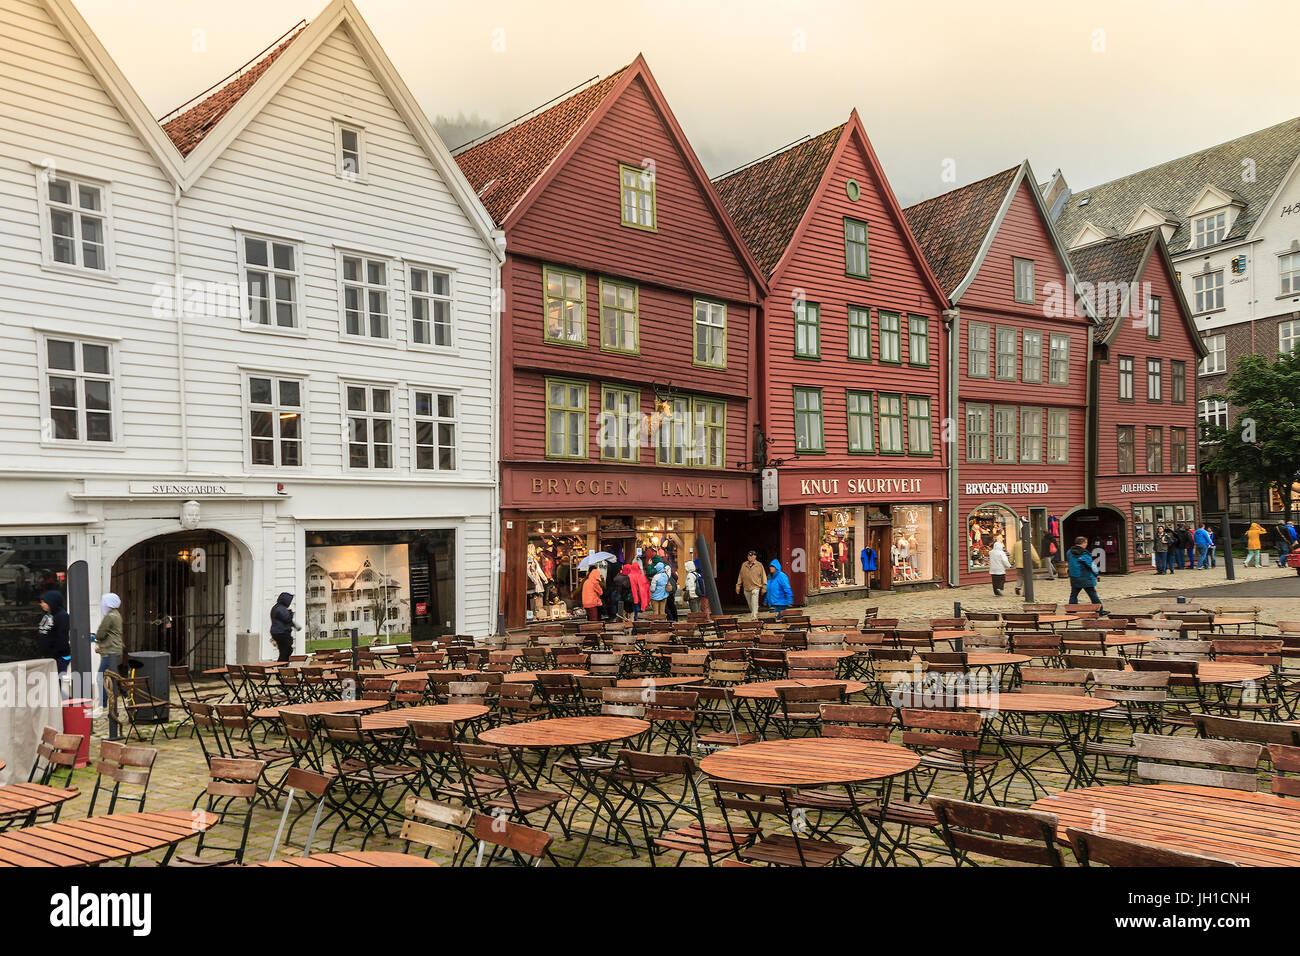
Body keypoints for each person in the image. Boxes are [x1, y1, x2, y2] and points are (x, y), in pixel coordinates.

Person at [93, 593, 124, 708]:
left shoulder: (109, 616)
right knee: (113, 676)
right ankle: (124, 694)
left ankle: (104, 703)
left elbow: (101, 633)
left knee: (101, 676)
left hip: (110, 651)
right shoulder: (117, 615)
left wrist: (95, 637)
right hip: (115, 649)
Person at [36, 589, 71, 675]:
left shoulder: (62, 616)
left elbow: (62, 637)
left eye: (44, 602)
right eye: (41, 602)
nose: (42, 604)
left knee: (57, 681)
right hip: (48, 657)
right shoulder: (48, 615)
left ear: (52, 602)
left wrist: (55, 654)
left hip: (58, 658)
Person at [1065, 536, 1103, 609]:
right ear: (1083, 543)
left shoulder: (1069, 552)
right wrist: (1096, 574)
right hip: (1085, 577)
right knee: (1092, 594)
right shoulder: (1084, 553)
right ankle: (1100, 610)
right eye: (1086, 542)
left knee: (1073, 595)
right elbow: (1091, 565)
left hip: (1074, 576)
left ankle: (1071, 611)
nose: (1086, 544)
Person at [269, 592, 303, 662]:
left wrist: (295, 626)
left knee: (286, 650)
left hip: (278, 632)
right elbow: (287, 619)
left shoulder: (276, 607)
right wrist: (290, 612)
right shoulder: (281, 608)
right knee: (285, 651)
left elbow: (286, 621)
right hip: (282, 632)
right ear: (286, 600)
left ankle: (283, 666)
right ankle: (281, 668)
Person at [735, 551, 766, 619]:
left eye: (751, 556)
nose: (749, 557)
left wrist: (764, 587)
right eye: (748, 556)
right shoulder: (744, 564)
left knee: (754, 602)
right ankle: (755, 614)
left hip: (756, 587)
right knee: (750, 604)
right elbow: (740, 575)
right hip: (746, 587)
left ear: (755, 556)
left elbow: (763, 576)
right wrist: (738, 586)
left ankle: (754, 618)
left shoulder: (759, 565)